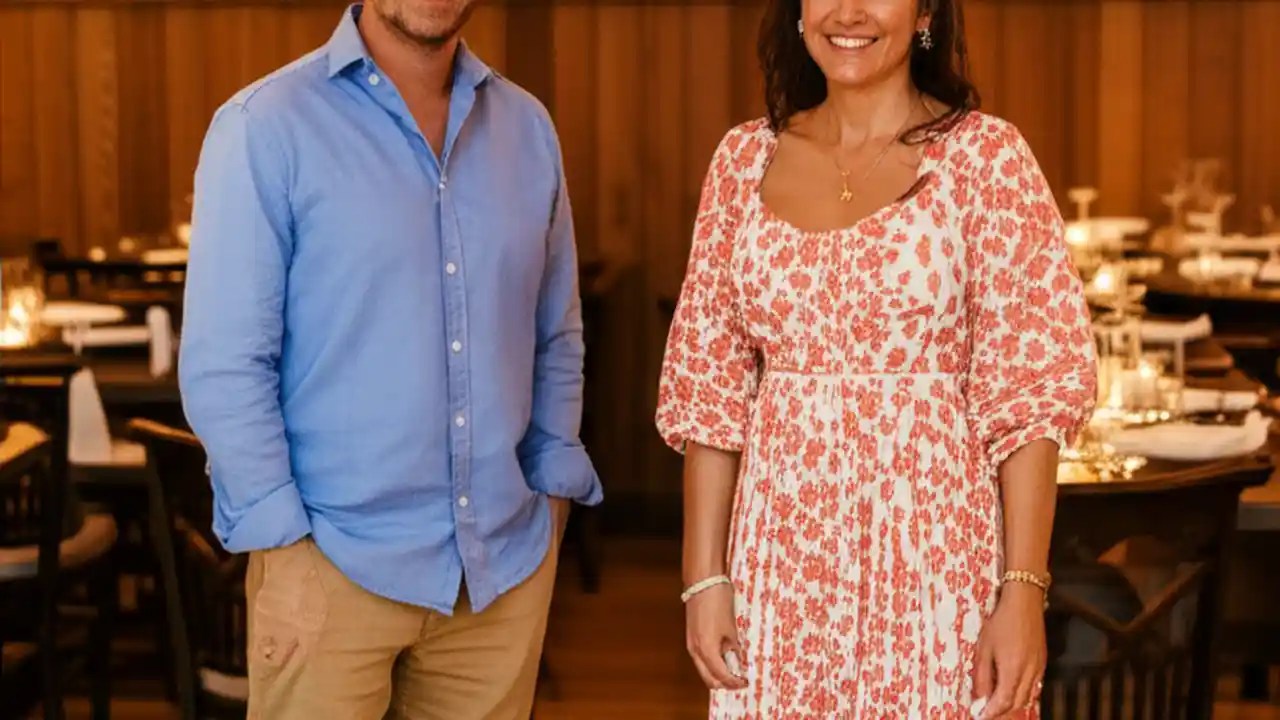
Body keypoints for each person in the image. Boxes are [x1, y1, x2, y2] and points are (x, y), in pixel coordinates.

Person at [655, 0, 1097, 717]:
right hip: (781, 565)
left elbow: (1030, 397)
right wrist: (704, 580)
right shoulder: (742, 161)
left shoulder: (987, 160)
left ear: (925, 11)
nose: (849, 12)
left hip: (936, 563)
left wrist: (1022, 590)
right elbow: (710, 395)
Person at [179, 0, 602, 716]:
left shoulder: (528, 129)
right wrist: (285, 546)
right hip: (330, 570)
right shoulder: (264, 127)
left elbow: (554, 331)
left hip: (500, 577)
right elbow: (225, 365)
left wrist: (552, 491)